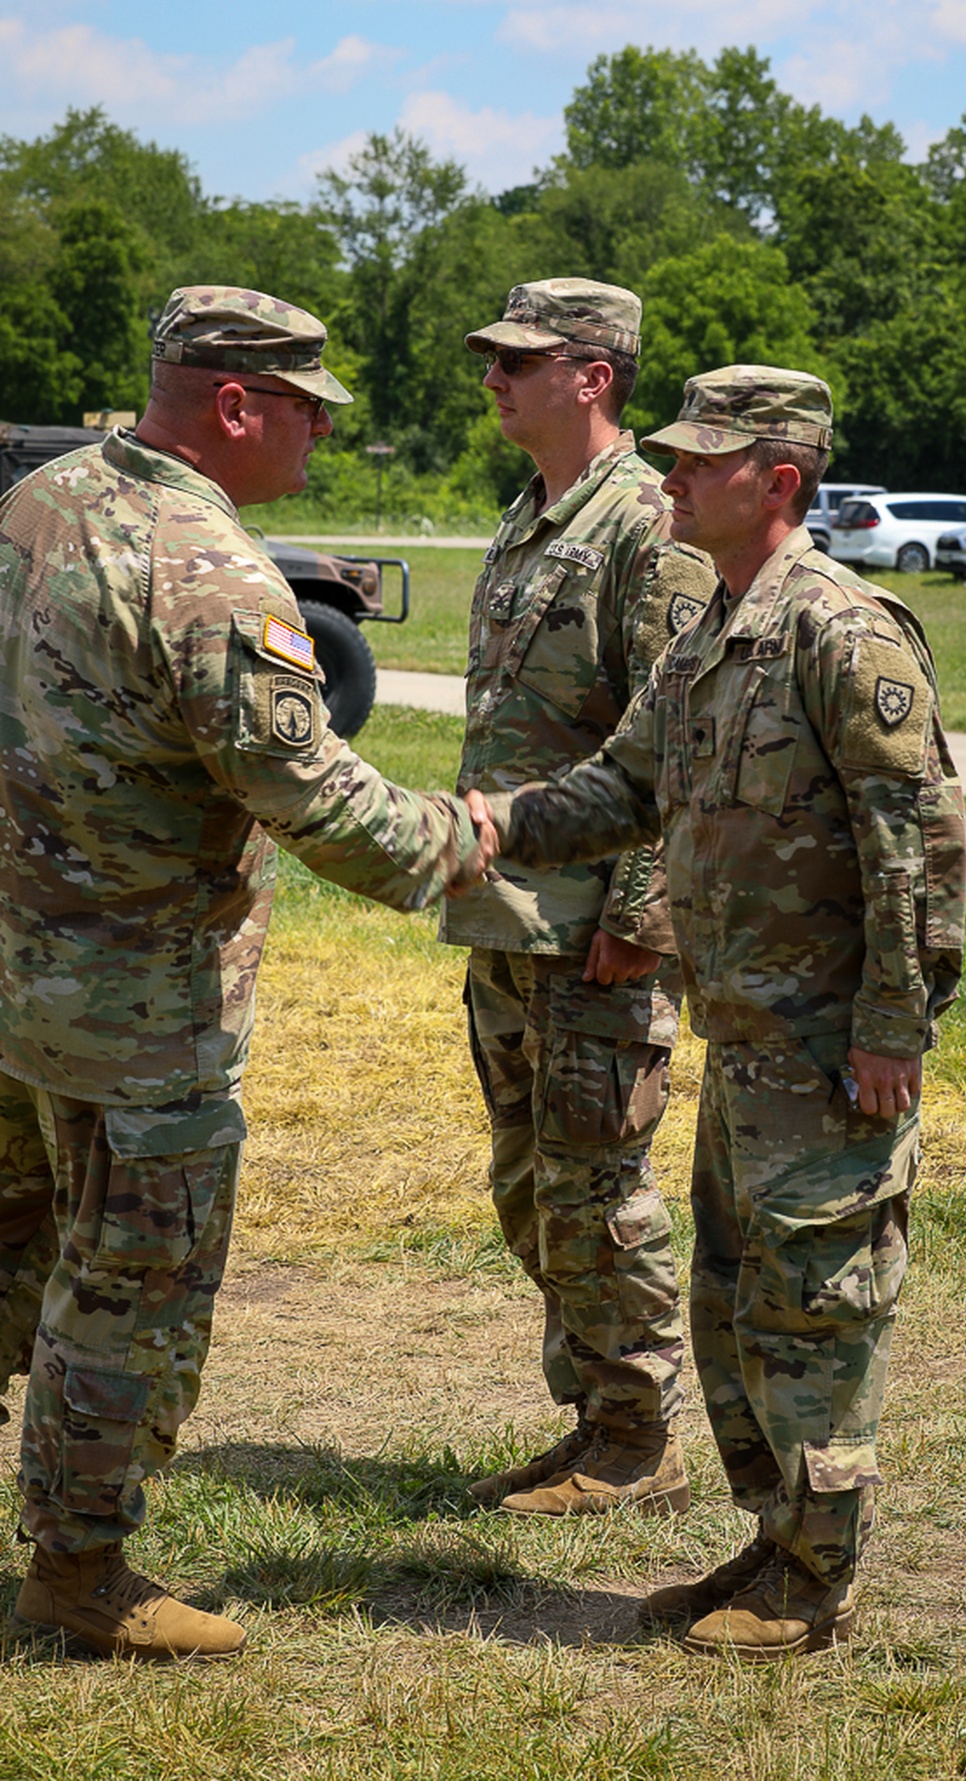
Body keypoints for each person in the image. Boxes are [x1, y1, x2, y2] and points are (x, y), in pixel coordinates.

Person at [0, 285, 495, 1661]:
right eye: (309, 410)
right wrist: (467, 840)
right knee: (129, 1284)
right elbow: (314, 796)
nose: (322, 436)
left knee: (18, 1260)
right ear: (234, 405)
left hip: (17, 982)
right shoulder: (210, 571)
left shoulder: (44, 501)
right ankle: (79, 1574)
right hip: (140, 1014)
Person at [469, 364, 966, 1654]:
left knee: (818, 1310)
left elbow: (913, 847)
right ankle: (771, 1544)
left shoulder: (842, 632)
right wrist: (488, 823)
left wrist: (891, 1031)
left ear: (777, 483)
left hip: (823, 1049)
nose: (673, 475)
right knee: (737, 1302)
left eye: (700, 461)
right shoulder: (710, 634)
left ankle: (817, 1579)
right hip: (742, 1037)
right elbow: (619, 783)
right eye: (675, 455)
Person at [440, 279, 715, 1516]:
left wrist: (640, 910)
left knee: (596, 1188)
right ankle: (589, 1410)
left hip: (594, 928)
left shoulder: (648, 527)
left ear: (592, 373)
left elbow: (681, 733)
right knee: (529, 1182)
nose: (493, 376)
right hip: (508, 915)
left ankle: (636, 1435)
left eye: (518, 359)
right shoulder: (528, 517)